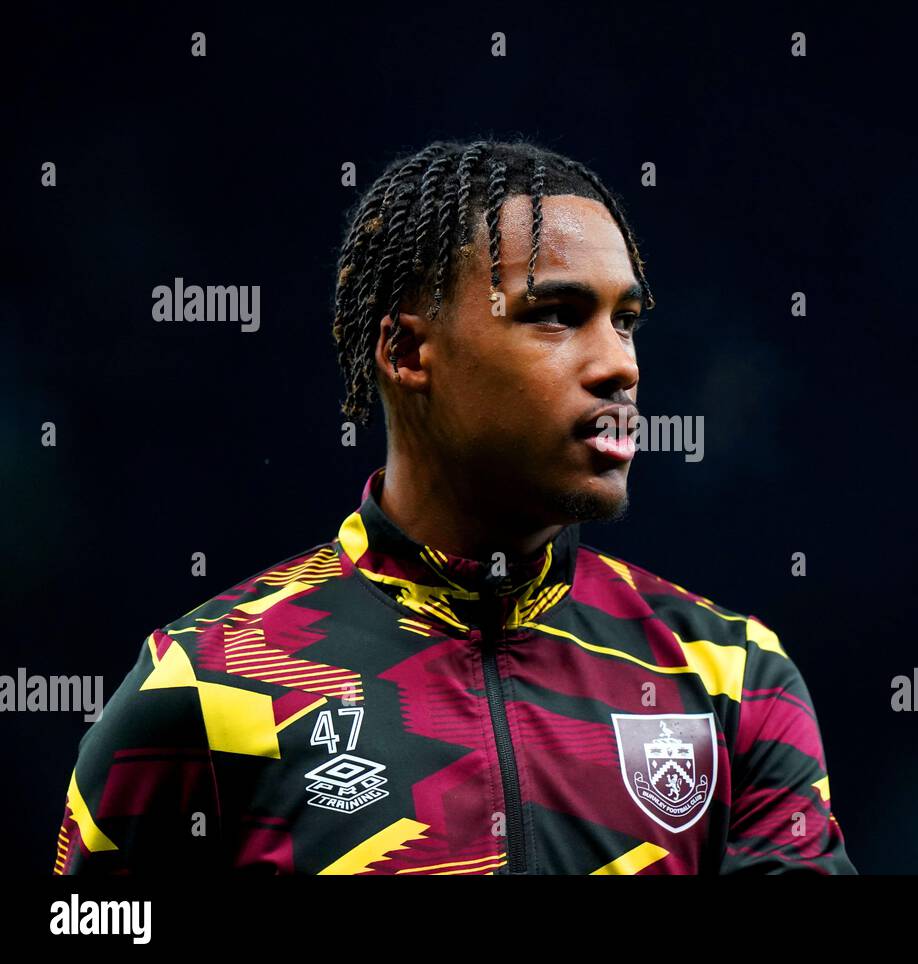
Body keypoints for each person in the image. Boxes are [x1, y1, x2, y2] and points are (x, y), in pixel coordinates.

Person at [53, 139, 856, 875]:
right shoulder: (205, 686)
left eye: (627, 322)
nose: (620, 366)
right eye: (557, 315)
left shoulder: (732, 676)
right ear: (406, 353)